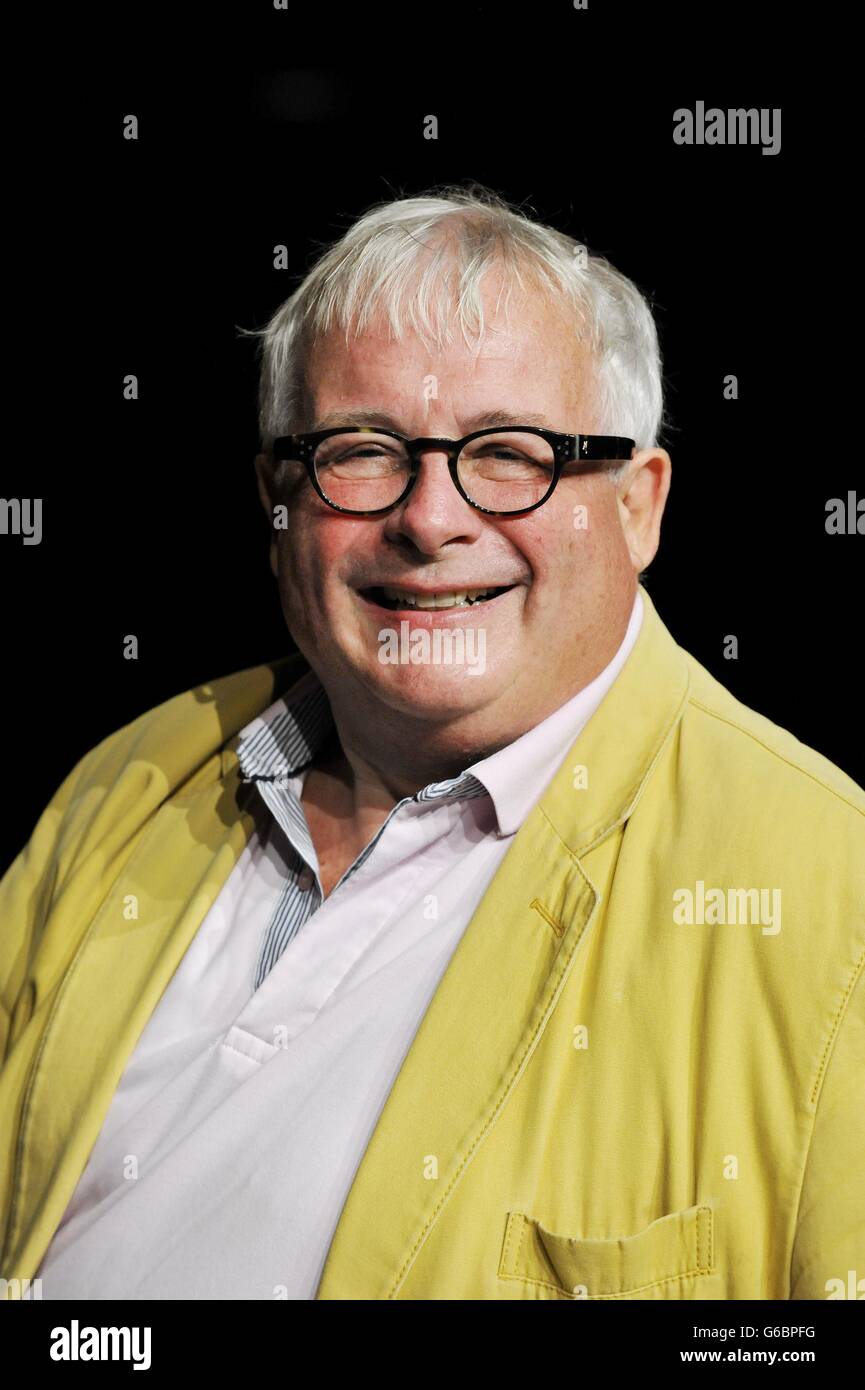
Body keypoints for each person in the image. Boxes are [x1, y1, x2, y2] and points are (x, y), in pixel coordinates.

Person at [1, 186, 862, 1301]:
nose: (430, 517)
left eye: (510, 453)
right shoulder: (133, 779)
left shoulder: (833, 898)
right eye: (362, 450)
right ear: (277, 499)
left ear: (638, 506)